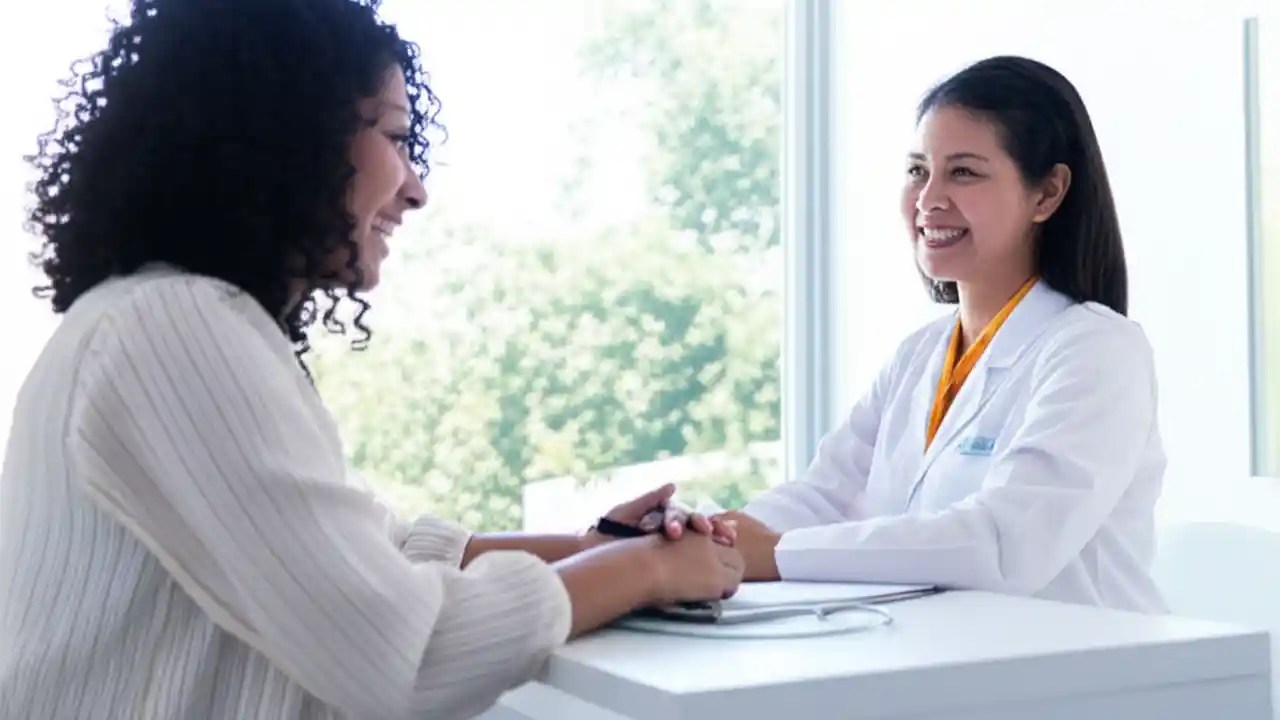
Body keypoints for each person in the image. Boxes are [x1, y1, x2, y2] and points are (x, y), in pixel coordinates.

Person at [0, 1, 741, 719]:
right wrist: (644, 569)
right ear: (289, 135)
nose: (415, 190)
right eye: (393, 137)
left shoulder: (156, 320)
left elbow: (370, 558)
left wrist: (588, 549)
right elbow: (410, 656)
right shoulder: (173, 332)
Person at [709, 55, 1167, 613]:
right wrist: (716, 539)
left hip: (1090, 662)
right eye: (918, 171)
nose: (928, 200)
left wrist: (777, 554)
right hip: (941, 653)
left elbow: (1004, 544)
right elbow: (826, 495)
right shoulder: (919, 355)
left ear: (1047, 194)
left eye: (964, 172)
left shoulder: (1098, 351)